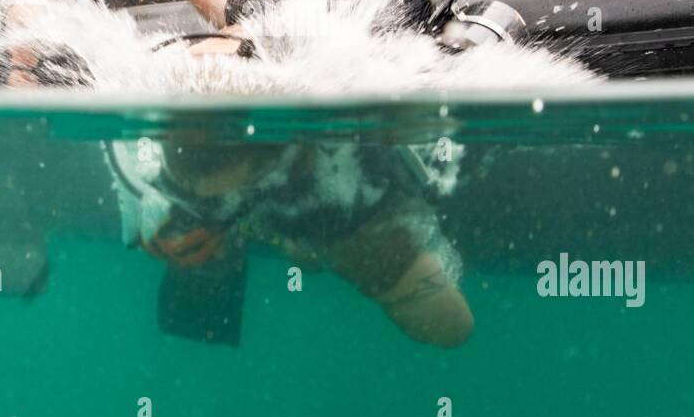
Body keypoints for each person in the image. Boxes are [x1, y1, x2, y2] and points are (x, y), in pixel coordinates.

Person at [111, 135, 474, 348]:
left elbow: (452, 325)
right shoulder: (146, 157)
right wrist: (154, 214)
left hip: (327, 212)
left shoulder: (340, 196)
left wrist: (332, 249)